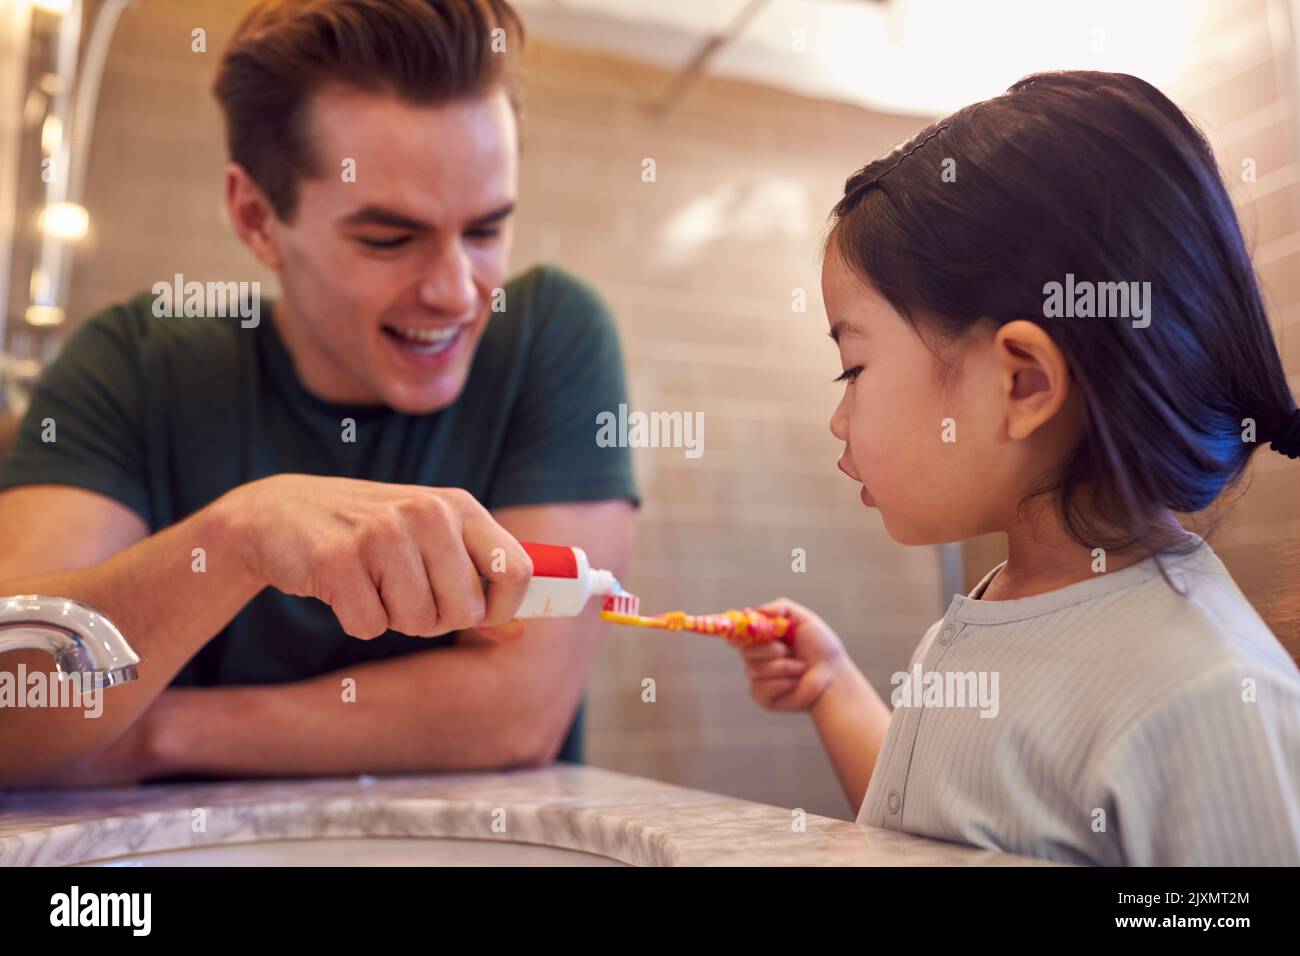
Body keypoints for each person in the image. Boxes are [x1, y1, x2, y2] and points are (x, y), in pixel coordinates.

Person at [0, 0, 638, 786]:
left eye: (485, 231)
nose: (455, 291)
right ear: (256, 218)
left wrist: (149, 734)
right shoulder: (132, 363)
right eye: (387, 239)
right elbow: (11, 697)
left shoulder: (550, 333)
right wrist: (236, 540)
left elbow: (516, 710)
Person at [735, 71, 1300, 865]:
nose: (839, 415)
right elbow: (940, 833)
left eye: (852, 370)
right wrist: (831, 686)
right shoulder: (1002, 606)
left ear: (1024, 383)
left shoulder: (1208, 693)